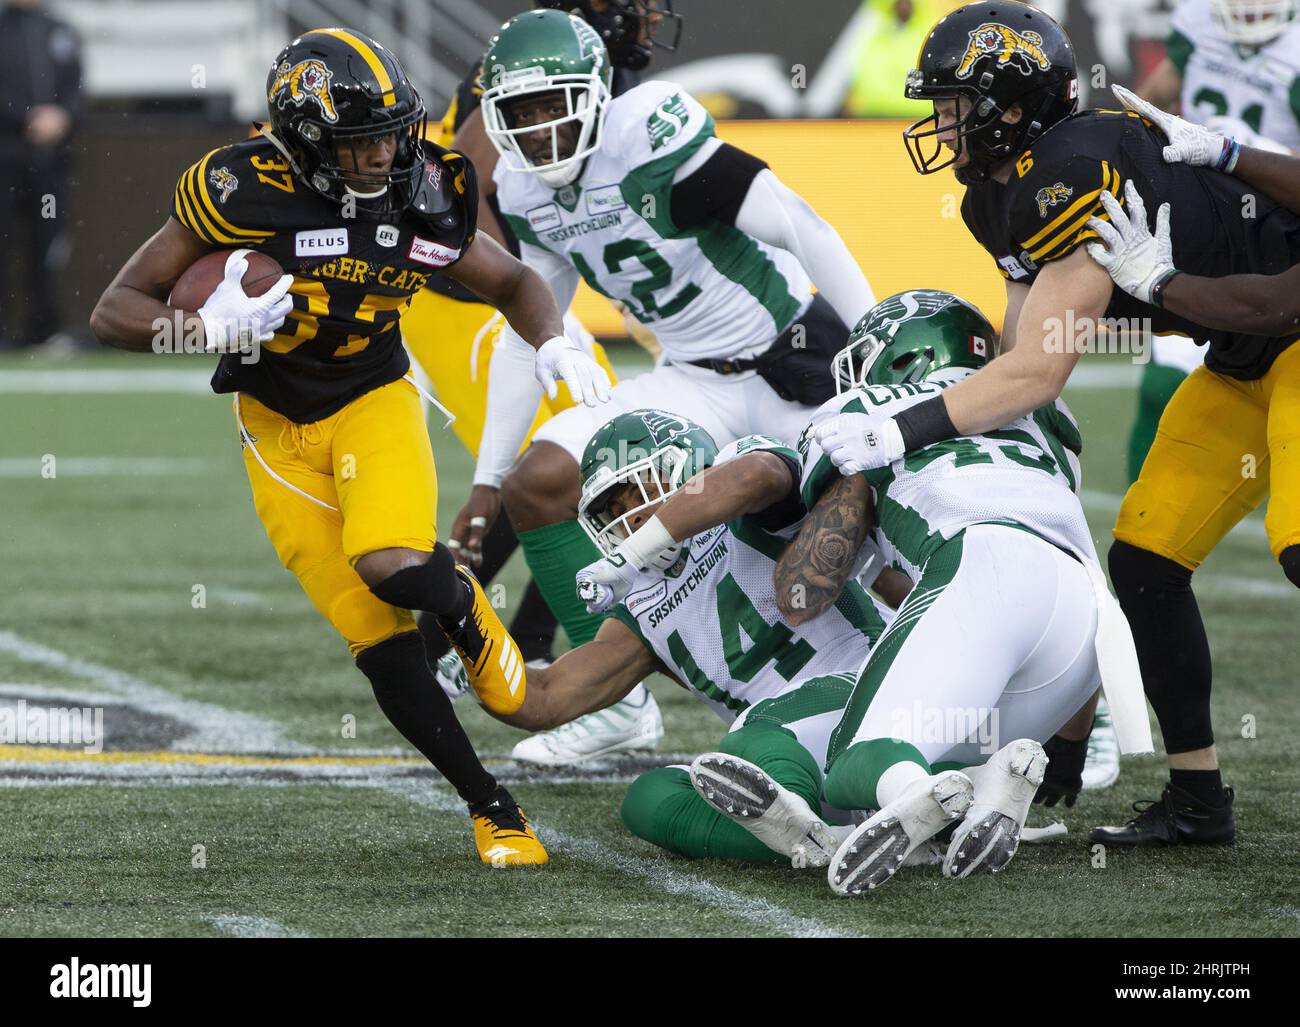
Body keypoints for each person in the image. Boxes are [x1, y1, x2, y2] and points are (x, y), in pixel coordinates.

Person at [89, 28, 612, 867]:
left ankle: (462, 597)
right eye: (358, 140)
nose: (381, 155)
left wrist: (551, 340)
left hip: (373, 396)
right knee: (376, 638)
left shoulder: (423, 191)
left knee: (393, 564)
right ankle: (492, 805)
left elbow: (514, 282)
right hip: (275, 429)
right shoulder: (238, 188)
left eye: (390, 133)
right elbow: (115, 308)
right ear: (301, 143)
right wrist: (197, 330)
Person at [814, 1, 1300, 846]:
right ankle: (1197, 801)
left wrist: (900, 428)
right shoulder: (994, 199)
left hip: (1287, 330)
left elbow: (1043, 369)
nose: (942, 124)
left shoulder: (1067, 172)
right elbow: (1023, 350)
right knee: (1146, 558)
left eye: (958, 104)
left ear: (1012, 106)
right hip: (1239, 353)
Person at [463, 9, 878, 763]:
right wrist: (486, 480)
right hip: (691, 379)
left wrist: (873, 342)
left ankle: (1062, 703)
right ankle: (616, 704)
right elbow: (532, 327)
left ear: (594, 93)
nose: (539, 129)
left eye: (553, 104)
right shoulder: (521, 191)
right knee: (540, 481)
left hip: (794, 360)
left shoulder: (644, 132)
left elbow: (800, 222)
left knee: (888, 543)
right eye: (520, 114)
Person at [782, 289, 1141, 895]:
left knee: (854, 763)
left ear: (898, 356)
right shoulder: (1049, 421)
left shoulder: (861, 407)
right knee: (948, 743)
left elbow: (803, 595)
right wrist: (1073, 747)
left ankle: (911, 795)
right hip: (1090, 618)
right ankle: (989, 781)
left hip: (982, 566)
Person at [477, 408, 908, 865]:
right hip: (796, 767)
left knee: (751, 737)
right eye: (618, 513)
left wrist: (632, 555)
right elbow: (544, 700)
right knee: (649, 798)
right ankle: (833, 841)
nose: (633, 520)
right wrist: (470, 635)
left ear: (688, 466)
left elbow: (752, 477)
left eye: (640, 491)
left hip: (872, 698)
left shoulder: (745, 487)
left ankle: (824, 818)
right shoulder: (639, 604)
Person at [407, 1, 681, 690]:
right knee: (542, 469)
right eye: (641, 5)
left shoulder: (566, 52)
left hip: (495, 292)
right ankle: (439, 643)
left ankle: (517, 641)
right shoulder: (545, 58)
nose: (652, 18)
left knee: (581, 466)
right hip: (459, 294)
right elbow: (466, 172)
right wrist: (521, 285)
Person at [1123, 0, 1298, 486]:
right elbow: (1156, 95)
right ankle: (1141, 505)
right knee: (1163, 382)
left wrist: (1253, 153)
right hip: (1201, 211)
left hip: (1275, 227)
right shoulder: (1197, 21)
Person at [0, 0, 81, 350]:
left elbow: (78, 86)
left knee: (47, 243)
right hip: (6, 155)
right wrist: (25, 117)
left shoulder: (59, 29)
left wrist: (64, 116)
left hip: (50, 161)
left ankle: (42, 329)